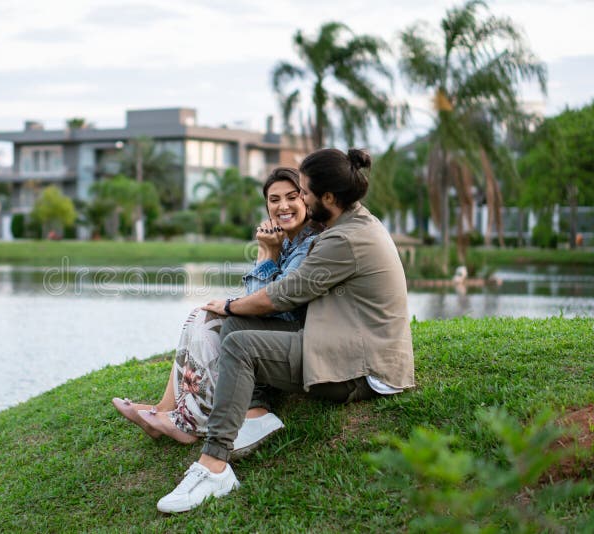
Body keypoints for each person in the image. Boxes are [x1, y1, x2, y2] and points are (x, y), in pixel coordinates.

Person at [155, 148, 415, 513]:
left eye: (304, 193)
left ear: (327, 198)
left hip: (364, 368)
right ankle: (256, 412)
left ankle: (214, 466)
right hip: (341, 342)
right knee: (235, 326)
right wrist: (234, 311)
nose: (300, 200)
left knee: (241, 343)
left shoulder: (342, 241)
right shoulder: (349, 223)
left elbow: (281, 297)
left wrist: (228, 304)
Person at [112, 167, 319, 445]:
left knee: (211, 320)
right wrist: (268, 251)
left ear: (306, 199)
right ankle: (164, 410)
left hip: (293, 336)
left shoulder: (308, 247)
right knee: (200, 315)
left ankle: (189, 423)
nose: (282, 206)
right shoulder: (287, 242)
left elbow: (270, 306)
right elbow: (256, 298)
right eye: (273, 199)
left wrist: (265, 254)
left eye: (292, 197)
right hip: (276, 325)